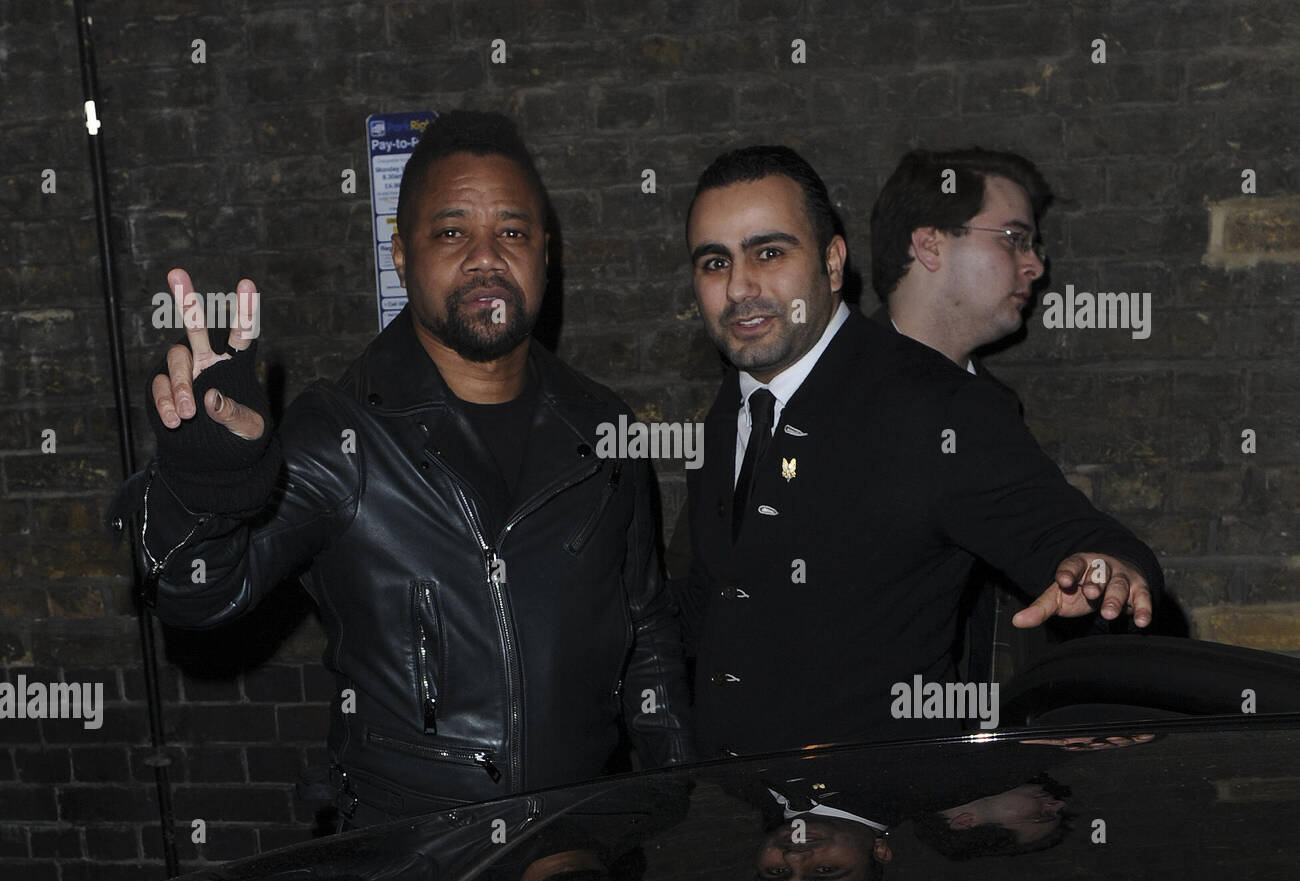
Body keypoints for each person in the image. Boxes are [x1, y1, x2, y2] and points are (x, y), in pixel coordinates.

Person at [109, 111, 693, 828]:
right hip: (414, 849)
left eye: (512, 231)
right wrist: (205, 485)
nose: (486, 256)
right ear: (399, 253)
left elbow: (649, 631)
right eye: (451, 232)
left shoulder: (606, 429)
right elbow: (195, 595)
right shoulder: (343, 430)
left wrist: (671, 801)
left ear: (547, 252)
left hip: (578, 849)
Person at [680, 144, 1164, 757]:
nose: (740, 286)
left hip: (879, 817)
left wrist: (1103, 567)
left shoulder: (934, 404)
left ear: (832, 263)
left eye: (769, 252)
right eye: (714, 262)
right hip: (735, 814)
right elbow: (710, 601)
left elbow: (1066, 532)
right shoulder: (732, 407)